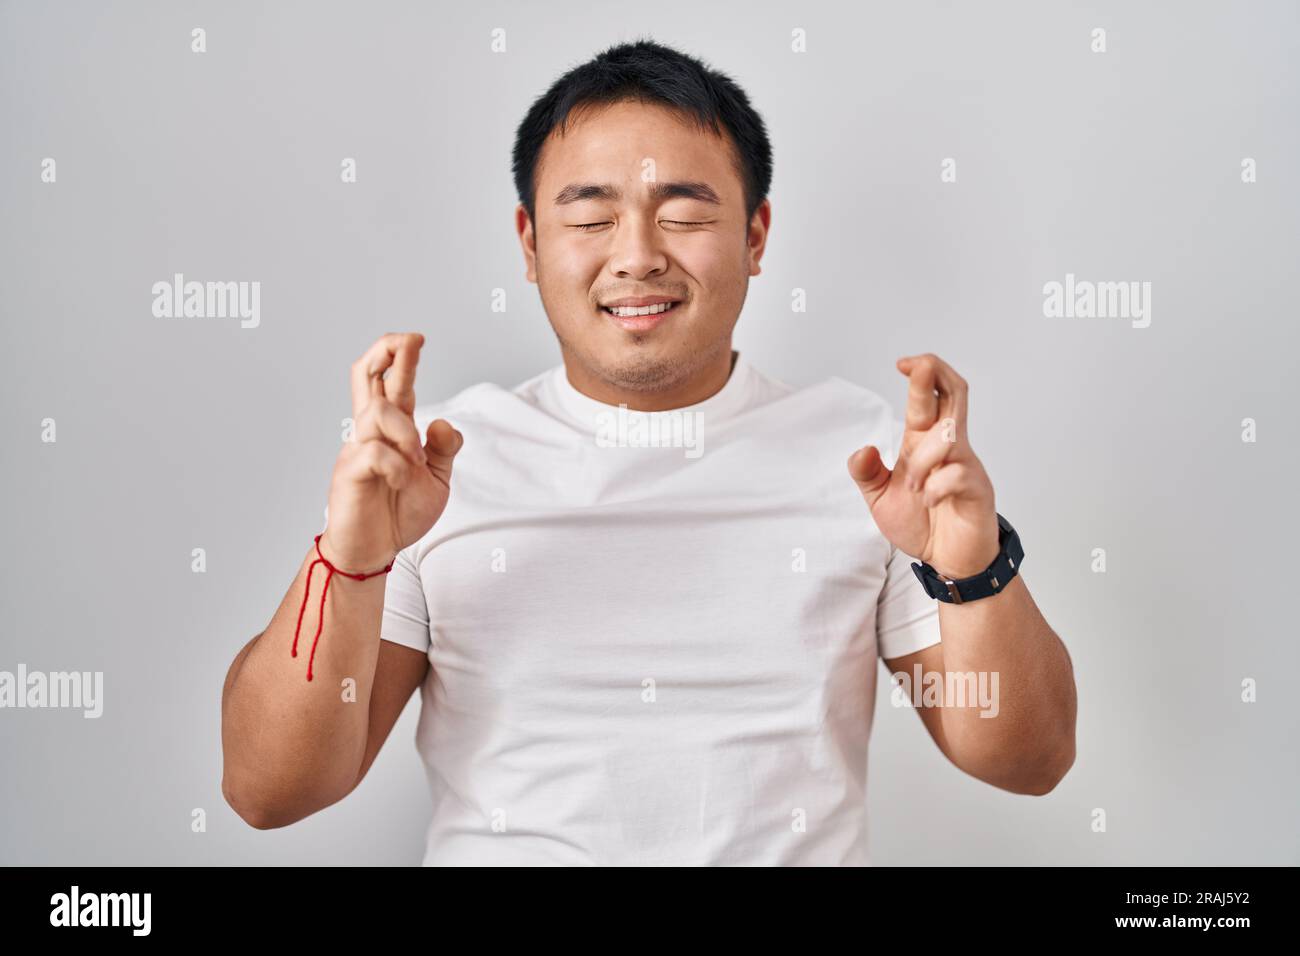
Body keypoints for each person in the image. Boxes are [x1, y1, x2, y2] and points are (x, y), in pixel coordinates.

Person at [221, 38, 1077, 865]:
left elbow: (1026, 761)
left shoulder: (866, 462)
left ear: (755, 235)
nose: (636, 257)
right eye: (591, 216)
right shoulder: (438, 465)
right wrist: (351, 558)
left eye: (685, 214)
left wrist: (971, 565)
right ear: (528, 243)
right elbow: (270, 790)